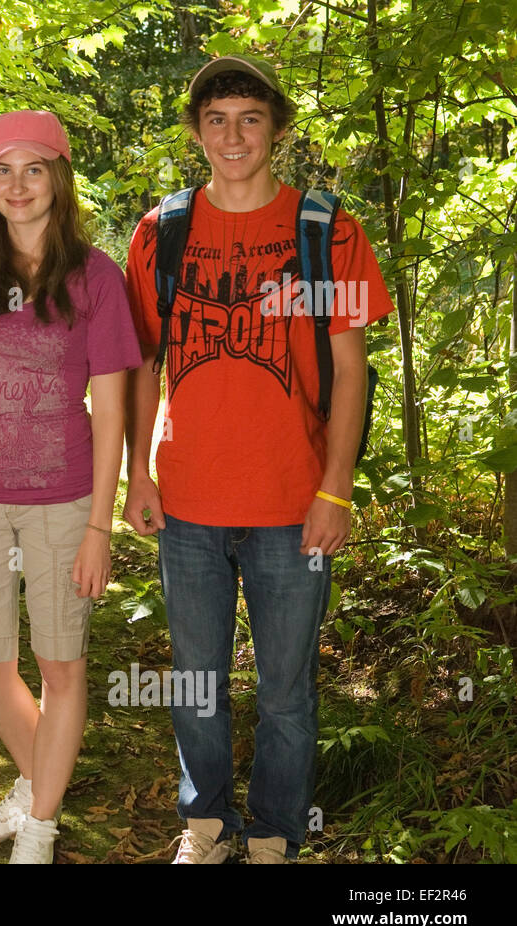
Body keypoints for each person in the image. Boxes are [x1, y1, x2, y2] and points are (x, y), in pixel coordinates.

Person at [122, 54, 393, 864]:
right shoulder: (162, 231)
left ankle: (275, 832)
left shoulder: (327, 229)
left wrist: (335, 491)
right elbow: (141, 364)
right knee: (196, 683)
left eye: (248, 118)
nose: (232, 135)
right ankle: (205, 826)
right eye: (215, 120)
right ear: (197, 132)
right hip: (190, 502)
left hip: (292, 503)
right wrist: (139, 472)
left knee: (286, 691)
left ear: (275, 127)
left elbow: (350, 369)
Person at [0, 111, 141, 864]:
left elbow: (113, 404)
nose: (16, 185)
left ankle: (42, 823)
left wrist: (101, 523)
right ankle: (36, 781)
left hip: (63, 496)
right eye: (2, 170)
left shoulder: (97, 276)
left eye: (33, 169)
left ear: (58, 177)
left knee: (61, 664)